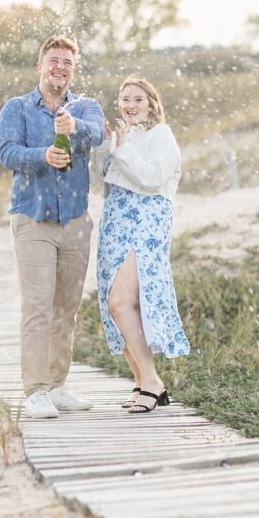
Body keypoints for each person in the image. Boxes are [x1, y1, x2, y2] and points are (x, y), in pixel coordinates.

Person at [0, 35, 106, 419]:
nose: (60, 67)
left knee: (67, 309)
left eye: (68, 63)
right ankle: (35, 391)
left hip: (76, 220)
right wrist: (42, 156)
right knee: (38, 306)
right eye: (54, 60)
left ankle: (58, 385)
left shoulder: (85, 107)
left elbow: (99, 133)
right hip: (33, 218)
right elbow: (7, 153)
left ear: (73, 70)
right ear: (40, 66)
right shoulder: (18, 108)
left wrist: (73, 127)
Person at [92, 76, 188, 413]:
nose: (130, 105)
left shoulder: (161, 136)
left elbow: (150, 179)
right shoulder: (124, 137)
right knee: (115, 304)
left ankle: (153, 381)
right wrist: (106, 144)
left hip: (144, 223)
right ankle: (140, 379)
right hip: (115, 223)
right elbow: (105, 182)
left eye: (137, 99)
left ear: (151, 103)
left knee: (123, 301)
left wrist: (122, 149)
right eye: (125, 99)